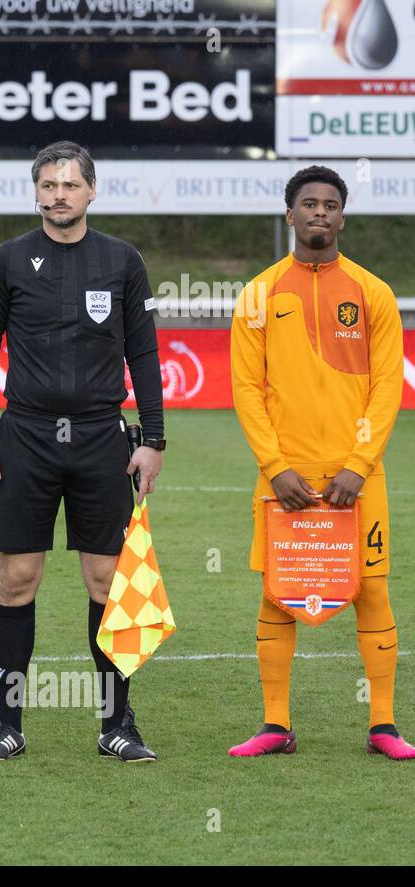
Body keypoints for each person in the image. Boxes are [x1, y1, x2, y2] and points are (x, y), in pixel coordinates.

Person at [0, 141, 165, 763]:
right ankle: (6, 722)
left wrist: (153, 438)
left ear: (91, 191)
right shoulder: (7, 262)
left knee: (107, 581)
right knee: (17, 579)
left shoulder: (122, 261)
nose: (59, 195)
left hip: (103, 436)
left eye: (70, 185)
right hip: (25, 436)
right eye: (48, 185)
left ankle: (117, 723)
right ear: (36, 193)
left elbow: (145, 355)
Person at [228, 165, 414, 759]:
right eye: (308, 203)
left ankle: (383, 726)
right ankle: (275, 725)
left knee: (373, 590)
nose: (319, 213)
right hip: (283, 477)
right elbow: (246, 389)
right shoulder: (258, 293)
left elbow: (389, 386)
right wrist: (275, 466)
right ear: (289, 214)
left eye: (330, 204)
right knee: (277, 594)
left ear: (342, 215)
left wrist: (358, 465)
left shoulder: (373, 292)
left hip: (357, 478)